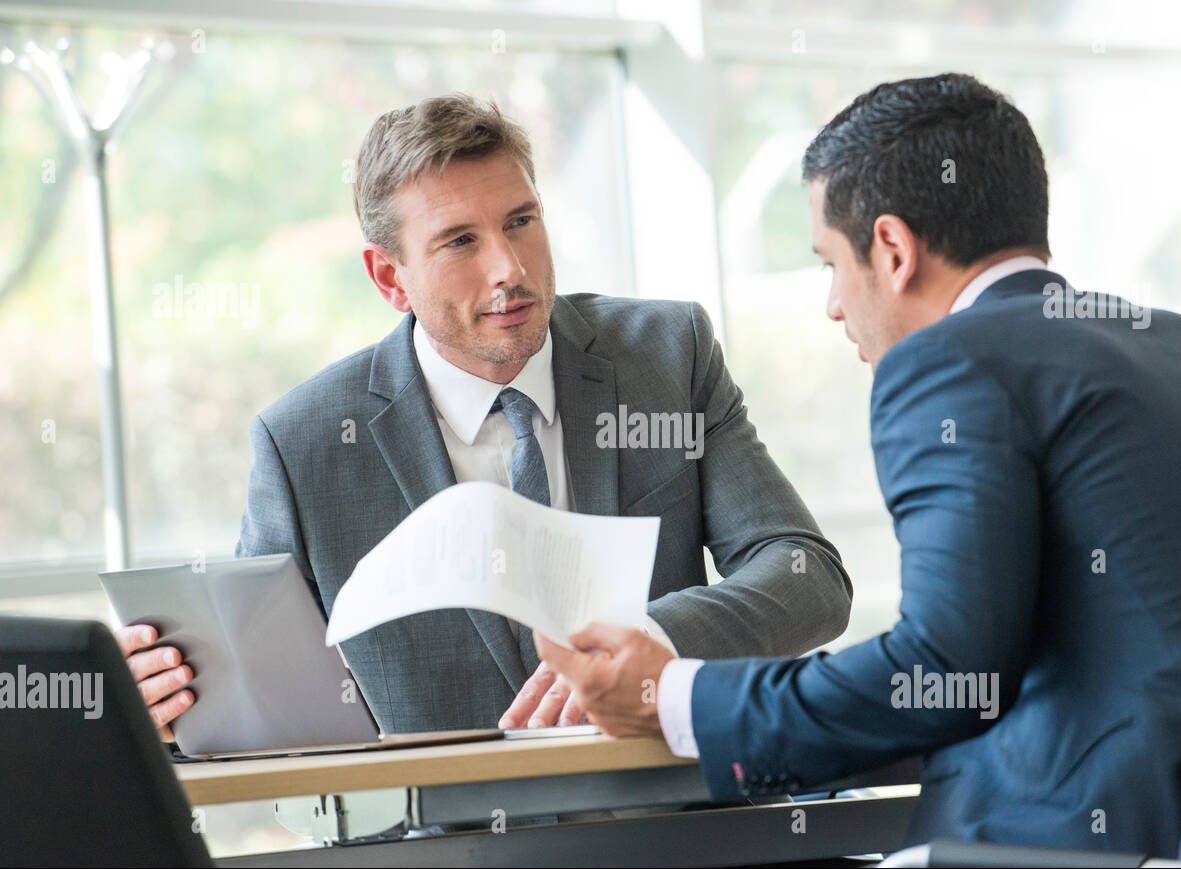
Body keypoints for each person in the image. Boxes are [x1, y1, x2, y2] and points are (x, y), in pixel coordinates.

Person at [535, 73, 1181, 857]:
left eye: (831, 263)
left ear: (893, 250)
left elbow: (945, 668)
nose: (834, 304)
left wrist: (672, 696)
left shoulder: (950, 363)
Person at [114, 94, 852, 741]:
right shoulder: (304, 443)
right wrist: (174, 700)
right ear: (387, 277)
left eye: (521, 221)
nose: (510, 268)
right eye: (460, 241)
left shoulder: (667, 356)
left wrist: (655, 636)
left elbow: (807, 578)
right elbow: (265, 694)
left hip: (663, 824)